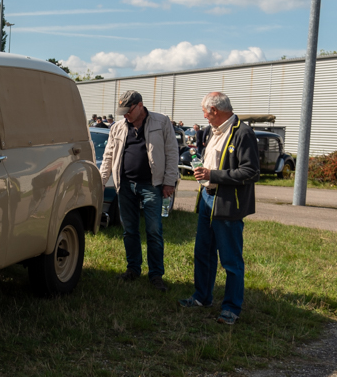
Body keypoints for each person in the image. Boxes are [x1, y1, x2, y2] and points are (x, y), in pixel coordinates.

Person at [180, 91, 259, 324]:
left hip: (227, 204)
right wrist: (201, 169)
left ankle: (231, 309)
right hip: (207, 198)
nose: (204, 117)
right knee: (203, 252)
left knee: (231, 260)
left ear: (214, 110)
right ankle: (202, 297)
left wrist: (212, 174)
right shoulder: (210, 132)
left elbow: (250, 171)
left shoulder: (243, 133)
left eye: (205, 113)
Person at [98, 90, 179, 291]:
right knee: (129, 230)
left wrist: (169, 182)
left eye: (128, 111)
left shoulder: (161, 122)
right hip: (125, 185)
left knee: (153, 230)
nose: (125, 115)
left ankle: (156, 275)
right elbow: (108, 155)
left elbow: (171, 152)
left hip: (152, 185)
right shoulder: (117, 127)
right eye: (122, 112)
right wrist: (101, 181)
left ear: (140, 106)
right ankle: (133, 269)